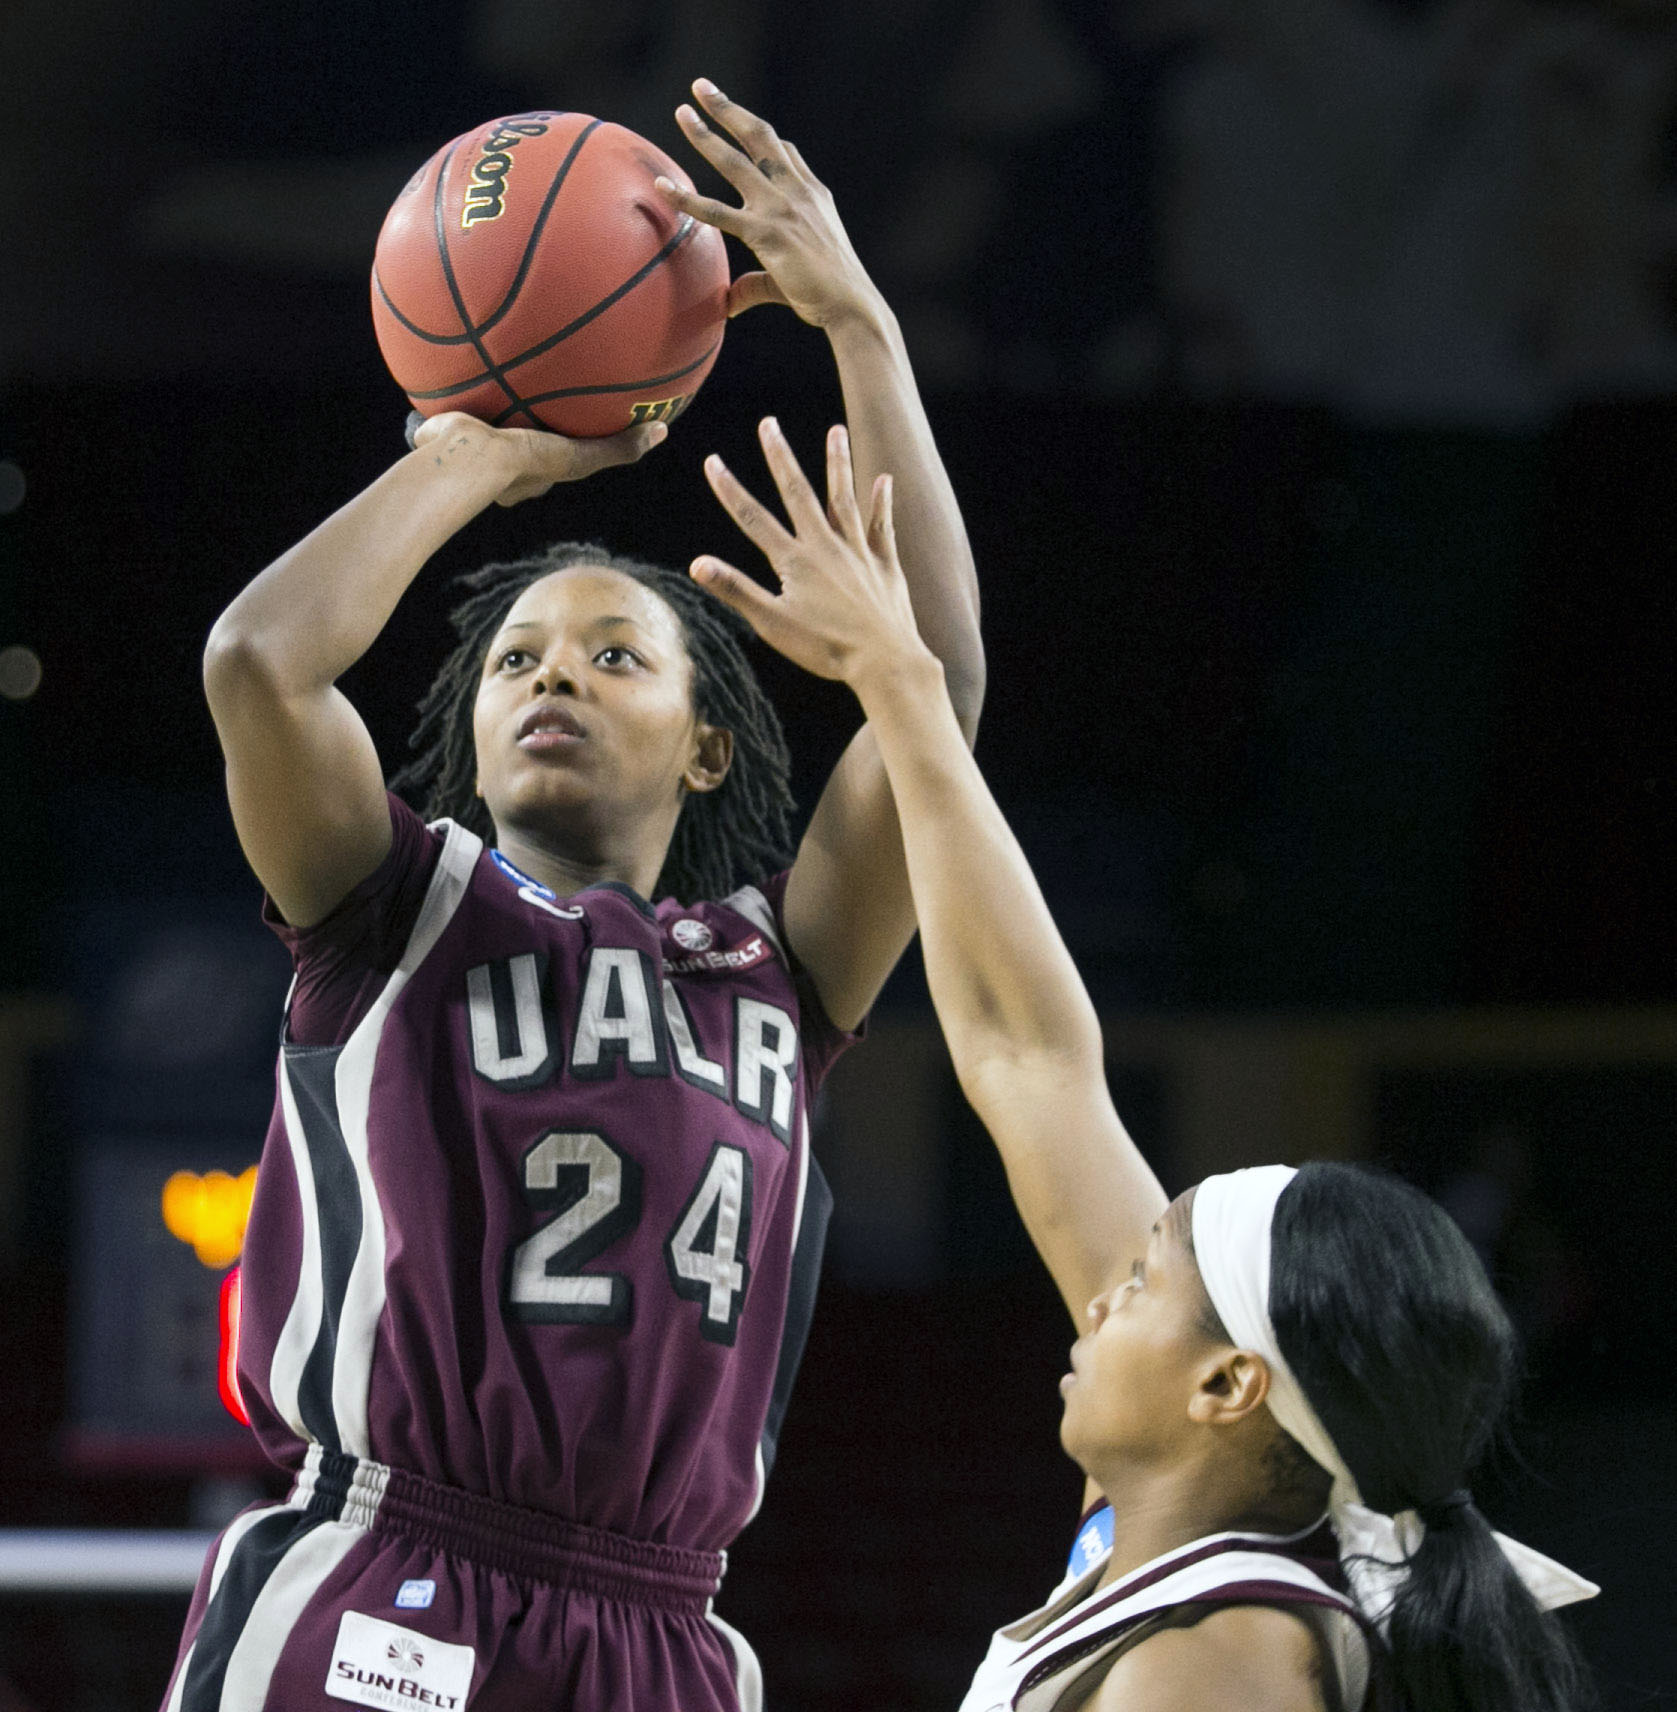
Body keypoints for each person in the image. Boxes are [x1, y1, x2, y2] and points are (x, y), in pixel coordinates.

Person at [159, 82, 983, 1712]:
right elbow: (259, 665)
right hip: (391, 1568)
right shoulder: (391, 909)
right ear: (464, 728)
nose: (558, 677)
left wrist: (864, 333)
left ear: (703, 747)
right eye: (517, 660)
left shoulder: (778, 967)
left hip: (668, 1626)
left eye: (618, 656)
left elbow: (930, 703)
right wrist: (484, 453)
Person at [691, 423, 1600, 1712]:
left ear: (1230, 1385)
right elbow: (1030, 1058)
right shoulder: (1176, 1549)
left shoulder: (1220, 1659)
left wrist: (907, 688)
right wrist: (901, 687)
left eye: (1148, 1276)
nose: (1103, 1294)